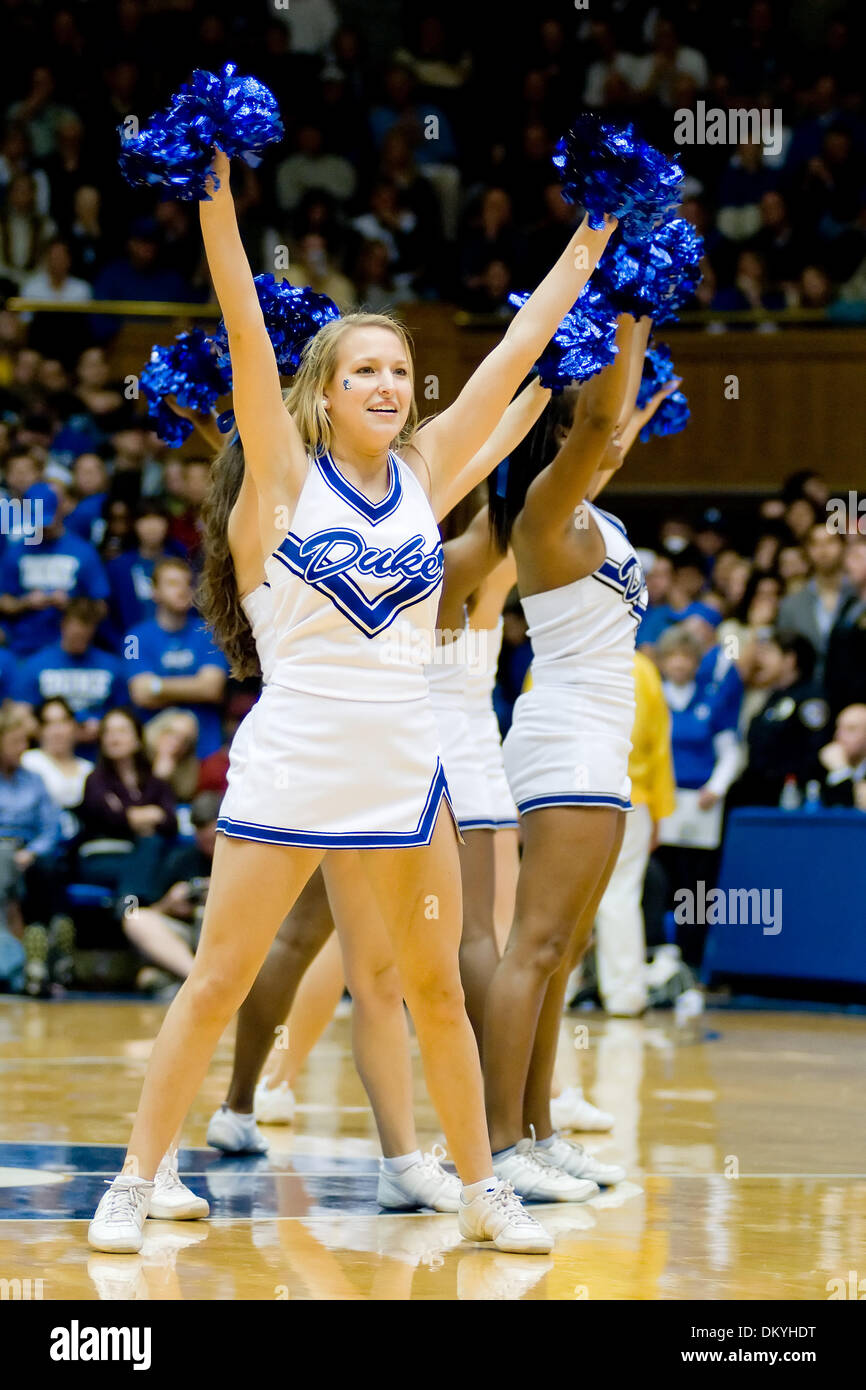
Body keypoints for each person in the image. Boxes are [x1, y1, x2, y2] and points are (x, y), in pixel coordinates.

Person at [88, 142, 618, 1256]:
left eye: (397, 370)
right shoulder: (282, 477)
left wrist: (586, 240)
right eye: (361, 371)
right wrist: (217, 210)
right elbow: (241, 323)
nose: (386, 385)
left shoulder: (425, 476)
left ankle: (482, 1186)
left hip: (402, 770)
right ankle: (136, 1177)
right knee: (221, 977)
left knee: (430, 987)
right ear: (322, 395)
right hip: (292, 763)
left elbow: (516, 352)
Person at [481, 315, 650, 1199]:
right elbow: (594, 425)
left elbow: (607, 431)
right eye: (601, 404)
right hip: (567, 744)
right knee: (534, 947)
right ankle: (500, 1148)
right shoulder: (544, 511)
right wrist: (623, 307)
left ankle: (540, 1132)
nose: (619, 418)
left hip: (601, 748)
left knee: (562, 952)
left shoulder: (597, 511)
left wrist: (644, 302)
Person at [654, 625, 743, 969]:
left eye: (685, 657)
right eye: (672, 656)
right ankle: (658, 955)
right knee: (659, 879)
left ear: (696, 662)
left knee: (697, 888)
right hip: (661, 805)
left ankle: (690, 962)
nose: (678, 664)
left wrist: (716, 787)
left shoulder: (709, 698)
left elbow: (730, 751)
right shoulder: (653, 697)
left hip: (700, 804)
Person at [125, 557, 228, 759]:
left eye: (187, 583)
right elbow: (139, 693)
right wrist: (194, 686)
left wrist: (156, 686)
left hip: (205, 747)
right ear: (154, 592)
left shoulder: (209, 633)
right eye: (172, 583)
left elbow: (212, 688)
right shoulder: (134, 638)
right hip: (152, 745)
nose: (182, 590)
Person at [76, 708, 177, 902]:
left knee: (154, 848)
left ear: (138, 739)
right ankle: (134, 914)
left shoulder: (155, 782)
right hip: (101, 857)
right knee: (149, 870)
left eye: (122, 731)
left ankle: (129, 912)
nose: (114, 738)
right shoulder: (95, 780)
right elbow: (108, 819)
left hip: (142, 855)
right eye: (108, 732)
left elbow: (170, 824)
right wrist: (151, 815)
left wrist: (128, 814)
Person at [121, 790, 220, 983]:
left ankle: (171, 979)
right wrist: (169, 904)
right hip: (187, 934)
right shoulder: (181, 859)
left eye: (215, 840)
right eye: (205, 840)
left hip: (228, 933)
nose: (211, 847)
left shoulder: (242, 859)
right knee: (136, 918)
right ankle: (196, 979)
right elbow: (153, 909)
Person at [0, 481, 108, 656]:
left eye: (47, 520)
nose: (43, 527)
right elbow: (3, 600)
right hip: (24, 648)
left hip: (72, 648)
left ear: (60, 510)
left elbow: (101, 607)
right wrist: (26, 602)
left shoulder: (83, 551)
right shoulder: (16, 552)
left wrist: (71, 604)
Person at [12, 597, 125, 744]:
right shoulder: (36, 665)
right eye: (76, 635)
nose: (80, 641)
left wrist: (104, 728)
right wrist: (57, 732)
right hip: (49, 753)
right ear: (63, 625)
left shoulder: (111, 666)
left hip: (100, 749)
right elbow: (20, 715)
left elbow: (124, 713)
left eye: (85, 636)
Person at [776, 522, 851, 679]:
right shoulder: (791, 605)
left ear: (843, 547)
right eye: (815, 544)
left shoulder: (860, 597)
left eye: (830, 542)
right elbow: (784, 659)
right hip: (807, 691)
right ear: (807, 551)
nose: (823, 550)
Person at [811, 704, 866, 809]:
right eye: (838, 728)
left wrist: (841, 769)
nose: (839, 736)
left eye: (851, 729)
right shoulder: (823, 763)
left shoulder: (836, 764)